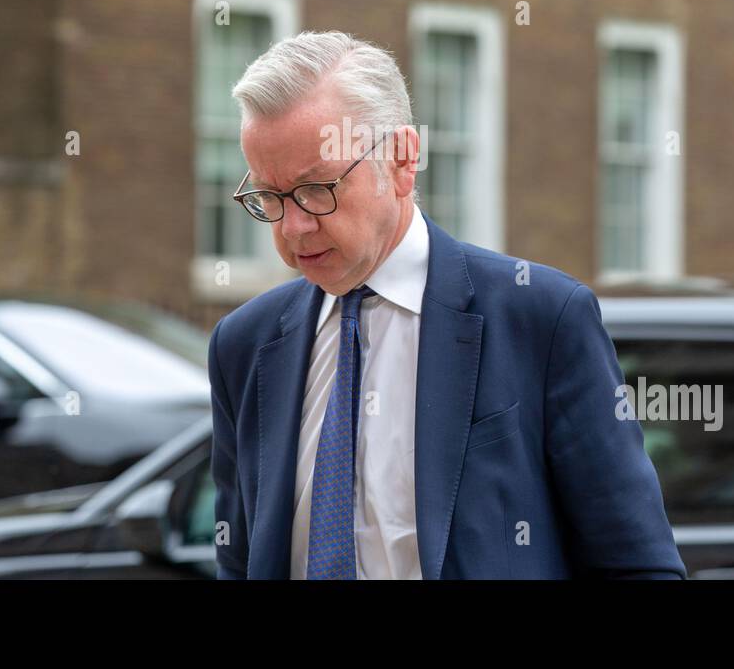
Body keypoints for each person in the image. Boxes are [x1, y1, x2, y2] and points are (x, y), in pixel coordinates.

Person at [207, 31, 686, 579]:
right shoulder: (242, 345)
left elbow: (637, 564)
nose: (294, 226)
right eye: (269, 196)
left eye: (318, 188)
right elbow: (238, 561)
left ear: (403, 160)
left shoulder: (542, 319)